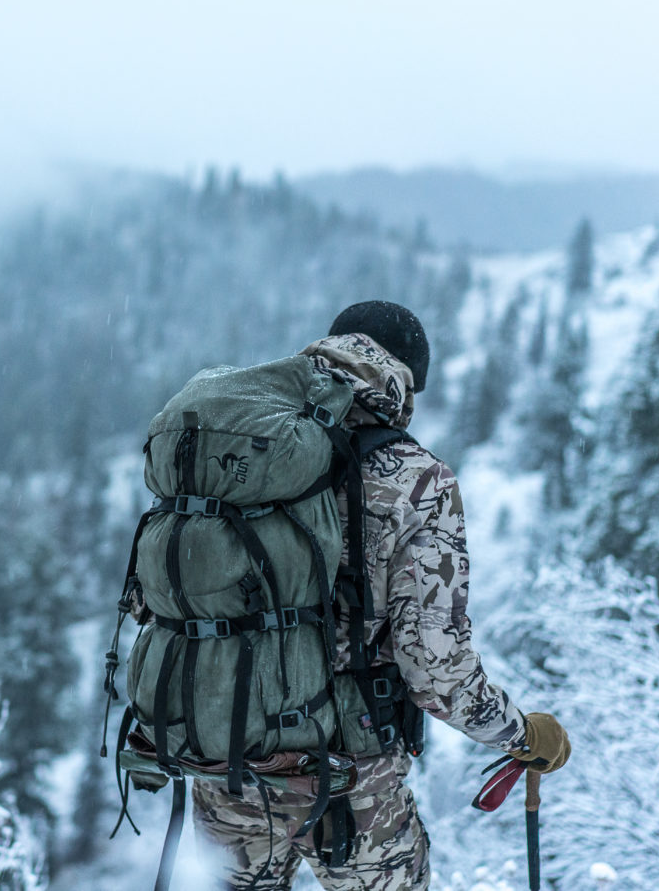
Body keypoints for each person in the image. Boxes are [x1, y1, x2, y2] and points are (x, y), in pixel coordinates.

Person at [190, 300, 570, 890]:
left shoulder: (243, 448)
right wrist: (519, 733)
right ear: (405, 383)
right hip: (347, 779)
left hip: (227, 757)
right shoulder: (418, 480)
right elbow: (435, 667)